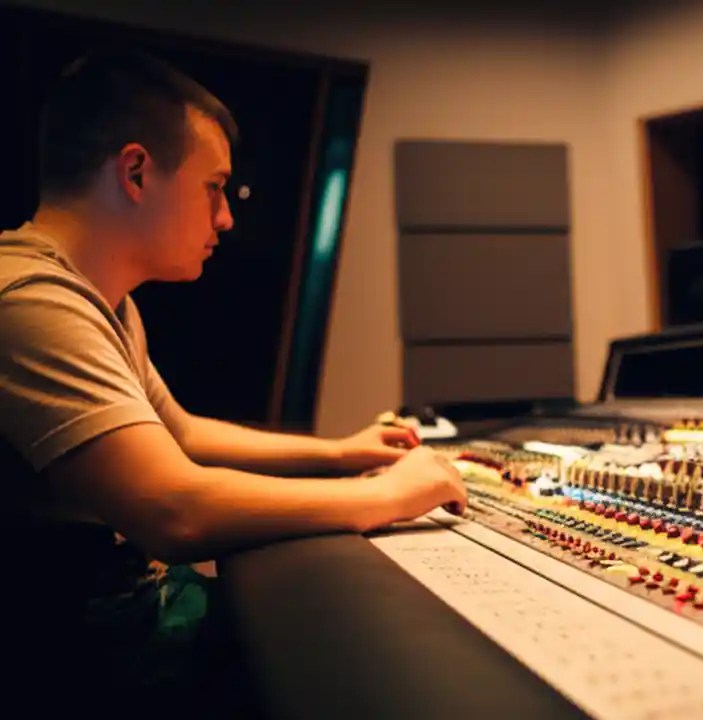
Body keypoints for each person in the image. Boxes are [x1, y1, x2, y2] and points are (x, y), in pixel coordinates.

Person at [0, 48, 467, 713]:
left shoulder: (100, 299)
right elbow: (173, 509)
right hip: (71, 661)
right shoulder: (30, 302)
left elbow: (182, 434)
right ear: (136, 172)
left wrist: (341, 453)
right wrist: (388, 496)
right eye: (213, 187)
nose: (226, 217)